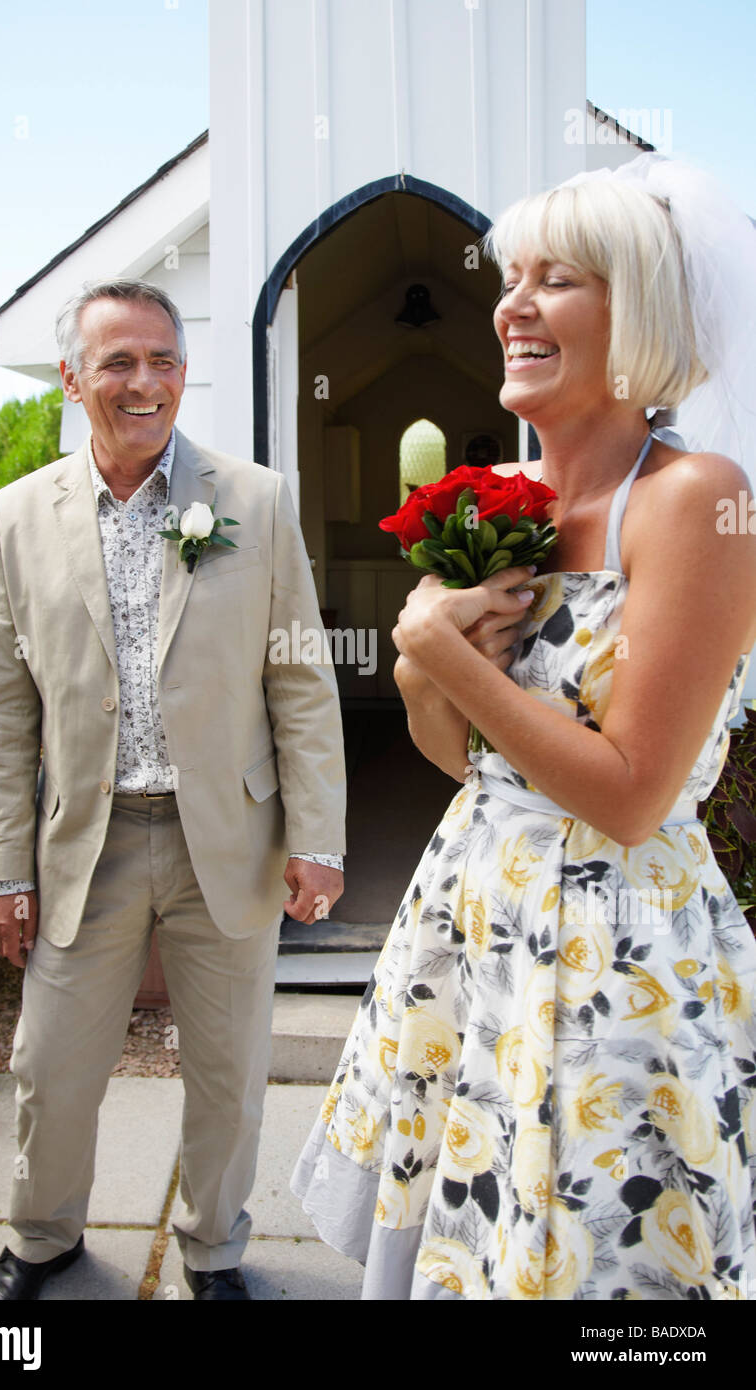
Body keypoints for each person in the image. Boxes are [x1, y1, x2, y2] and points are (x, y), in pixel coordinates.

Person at [292, 155, 756, 1299]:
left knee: (600, 1250)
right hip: (474, 927)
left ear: (641, 310)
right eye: (511, 278)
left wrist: (435, 648)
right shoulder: (498, 497)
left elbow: (631, 791)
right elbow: (468, 763)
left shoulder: (694, 499)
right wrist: (422, 674)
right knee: (484, 1229)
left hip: (622, 952)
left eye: (558, 279)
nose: (511, 304)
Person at [0, 278, 346, 1301]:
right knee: (50, 1065)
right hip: (83, 838)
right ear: (73, 377)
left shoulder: (252, 499)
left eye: (163, 360)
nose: (145, 382)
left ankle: (214, 1250)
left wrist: (319, 835)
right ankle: (39, 1239)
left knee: (226, 1069)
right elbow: (0, 713)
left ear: (185, 371)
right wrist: (0, 867)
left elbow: (299, 678)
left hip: (227, 832)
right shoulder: (13, 519)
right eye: (119, 362)